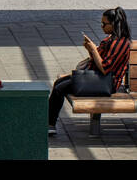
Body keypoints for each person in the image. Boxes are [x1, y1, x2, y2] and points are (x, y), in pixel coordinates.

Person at [47, 7, 131, 135]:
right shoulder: (111, 39)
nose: (102, 26)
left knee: (60, 88)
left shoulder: (120, 43)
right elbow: (98, 62)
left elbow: (104, 68)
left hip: (106, 83)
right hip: (96, 78)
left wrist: (93, 49)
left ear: (114, 24)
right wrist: (90, 49)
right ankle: (50, 123)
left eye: (104, 24)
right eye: (101, 23)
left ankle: (50, 124)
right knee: (59, 83)